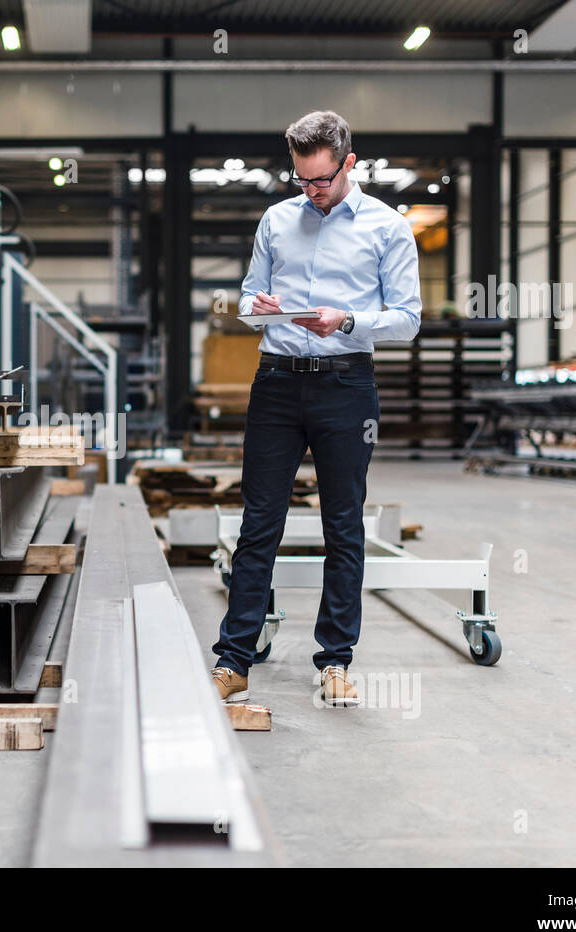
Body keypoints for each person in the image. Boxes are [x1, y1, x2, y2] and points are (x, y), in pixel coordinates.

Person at [210, 109, 422, 708]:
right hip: (276, 382)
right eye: (301, 179)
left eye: (321, 180)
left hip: (345, 386)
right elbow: (247, 301)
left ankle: (334, 660)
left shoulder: (386, 227)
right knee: (259, 523)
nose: (311, 190)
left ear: (349, 164)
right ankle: (234, 659)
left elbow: (408, 319)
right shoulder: (277, 220)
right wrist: (261, 306)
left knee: (343, 524)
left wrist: (347, 319)